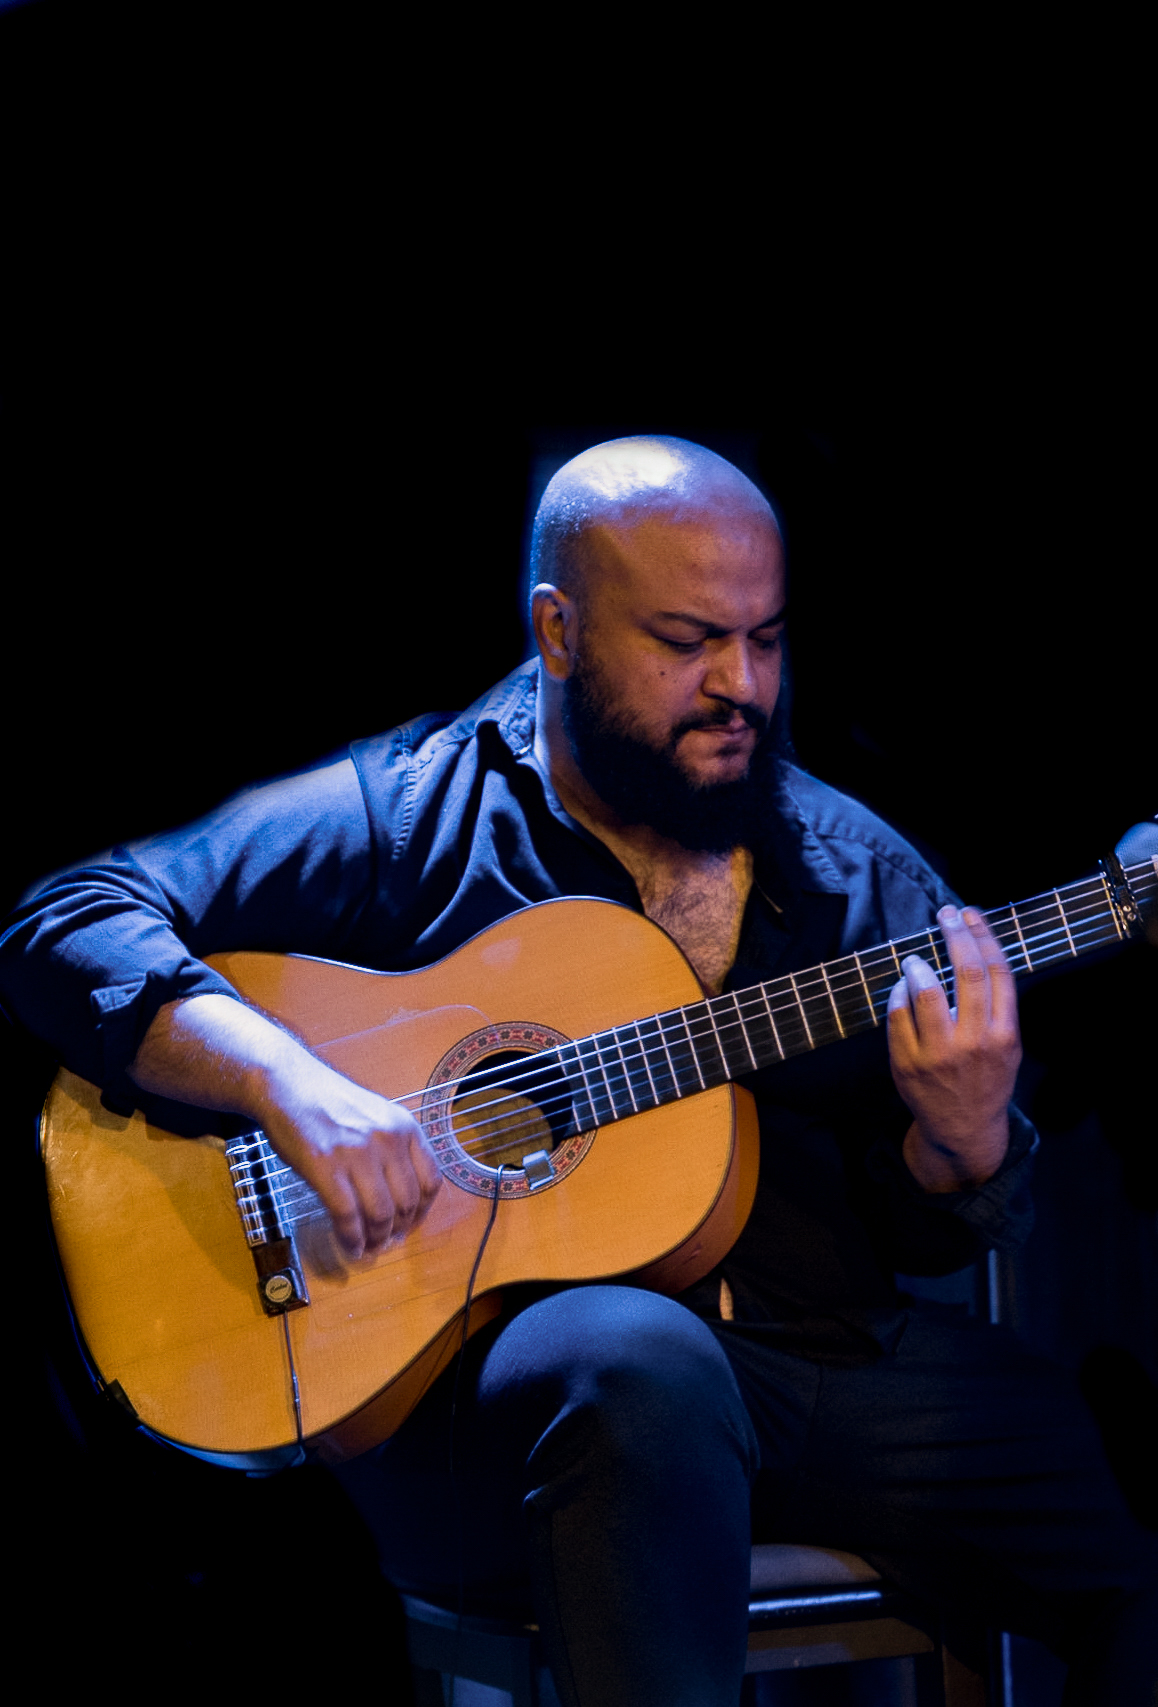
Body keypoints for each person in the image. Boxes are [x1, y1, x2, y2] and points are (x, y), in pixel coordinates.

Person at [3, 438, 1153, 1704]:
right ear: (558, 631)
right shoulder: (413, 811)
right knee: (639, 1361)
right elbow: (73, 920)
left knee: (1120, 1510)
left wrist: (963, 1140)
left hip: (812, 1373)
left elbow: (929, 1230)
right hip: (495, 1418)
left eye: (766, 639)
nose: (742, 687)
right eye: (687, 642)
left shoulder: (853, 872)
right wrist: (292, 1085)